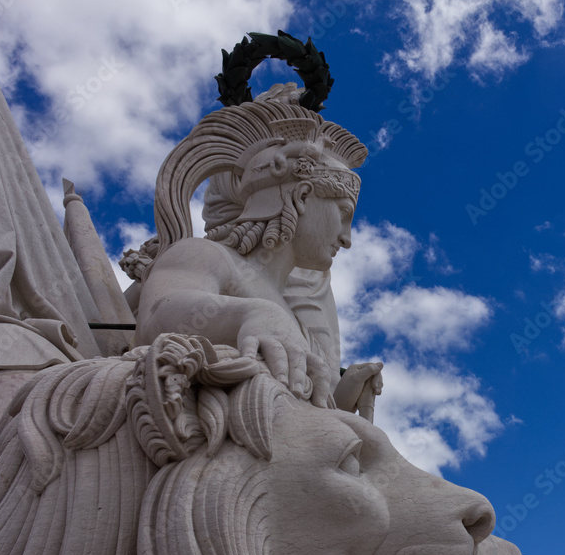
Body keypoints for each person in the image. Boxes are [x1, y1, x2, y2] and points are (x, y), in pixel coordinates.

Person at [135, 83, 381, 412]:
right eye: (344, 215)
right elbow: (155, 319)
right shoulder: (207, 256)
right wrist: (252, 314)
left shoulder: (299, 325)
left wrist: (345, 395)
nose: (347, 239)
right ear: (302, 196)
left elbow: (304, 409)